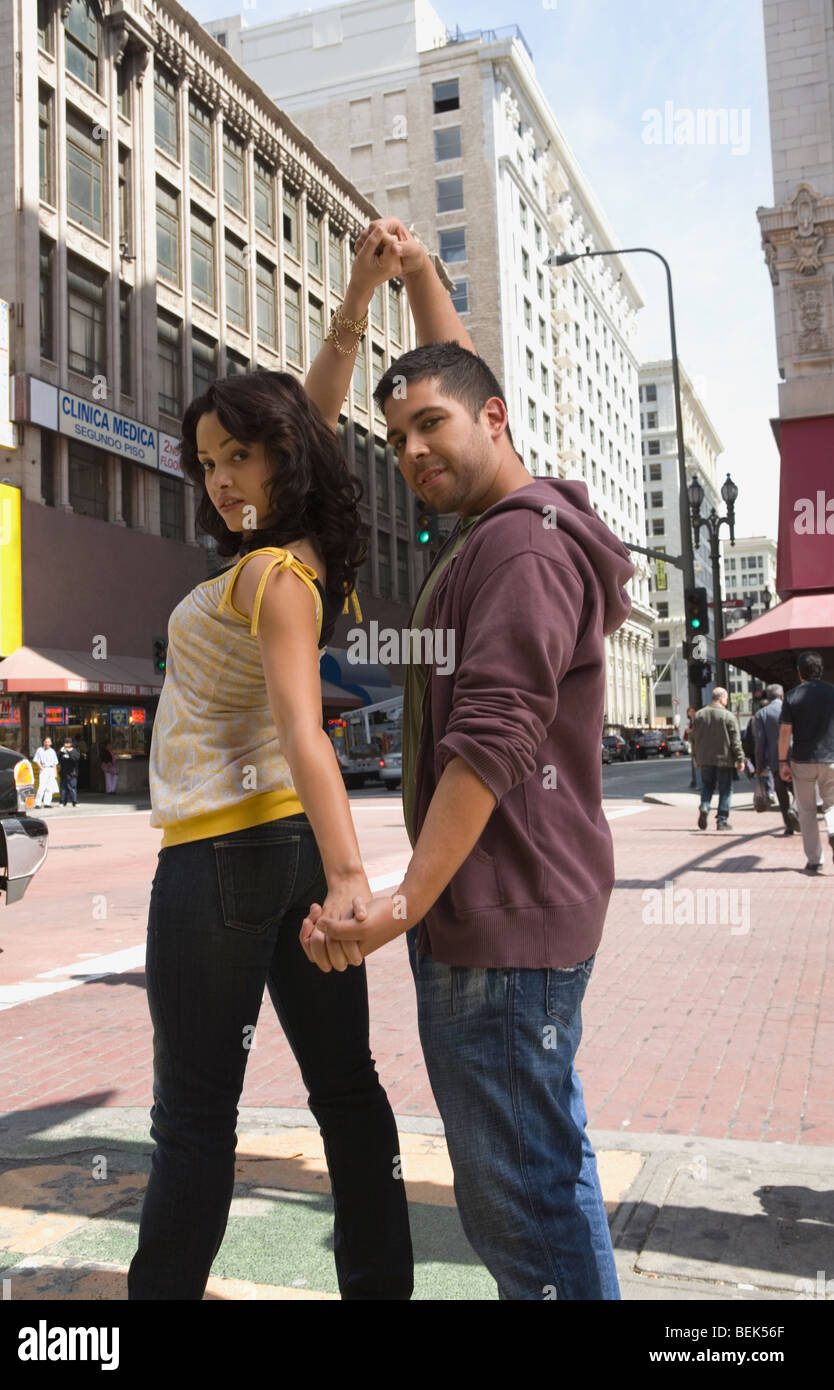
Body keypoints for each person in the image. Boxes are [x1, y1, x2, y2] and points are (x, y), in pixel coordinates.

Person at [302, 216, 634, 1300]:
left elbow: (486, 747)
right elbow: (449, 379)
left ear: (496, 420)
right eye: (396, 439)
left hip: (496, 931)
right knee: (542, 1176)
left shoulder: (519, 550)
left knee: (523, 1207)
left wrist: (397, 906)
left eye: (430, 429)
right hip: (510, 920)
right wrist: (412, 279)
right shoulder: (501, 526)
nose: (410, 454)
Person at [128, 224, 413, 1300]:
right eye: (203, 463)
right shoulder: (290, 561)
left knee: (194, 1115)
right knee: (346, 1088)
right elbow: (317, 407)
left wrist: (355, 883)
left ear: (277, 459)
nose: (216, 479)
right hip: (283, 850)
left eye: (235, 456)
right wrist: (358, 291)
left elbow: (305, 727)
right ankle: (379, 1288)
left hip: (220, 859)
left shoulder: (270, 582)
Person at [778, 651, 834, 874]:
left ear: (800, 672)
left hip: (803, 760)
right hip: (832, 758)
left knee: (807, 810)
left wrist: (783, 761)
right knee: (832, 804)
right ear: (820, 670)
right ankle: (833, 831)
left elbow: (784, 733)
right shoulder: (833, 692)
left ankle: (814, 859)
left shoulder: (792, 696)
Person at [688, 687, 744, 829]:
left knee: (707, 786)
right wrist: (740, 759)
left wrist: (697, 758)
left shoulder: (699, 715)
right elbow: (735, 741)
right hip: (724, 760)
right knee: (725, 789)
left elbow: (693, 739)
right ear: (720, 698)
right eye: (726, 697)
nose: (727, 700)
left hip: (705, 759)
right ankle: (722, 820)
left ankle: (705, 806)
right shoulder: (728, 716)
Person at [753, 684, 800, 834]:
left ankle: (788, 826)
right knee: (799, 790)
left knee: (781, 794)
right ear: (782, 696)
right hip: (796, 756)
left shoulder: (761, 714)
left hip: (775, 760)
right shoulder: (793, 708)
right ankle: (794, 809)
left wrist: (759, 766)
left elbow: (760, 743)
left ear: (767, 697)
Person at [33, 736, 58, 808]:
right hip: (44, 768)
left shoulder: (52, 751)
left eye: (48, 742)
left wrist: (55, 773)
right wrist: (41, 768)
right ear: (44, 742)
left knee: (49, 787)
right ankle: (38, 803)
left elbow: (54, 763)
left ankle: (47, 803)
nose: (47, 743)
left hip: (51, 769)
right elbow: (36, 760)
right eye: (46, 742)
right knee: (42, 786)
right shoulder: (40, 750)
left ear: (51, 743)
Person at [58, 737, 81, 807]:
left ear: (71, 744)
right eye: (65, 743)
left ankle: (75, 802)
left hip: (72, 773)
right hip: (63, 772)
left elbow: (76, 759)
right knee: (63, 788)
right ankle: (62, 802)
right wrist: (60, 752)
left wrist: (68, 752)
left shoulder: (74, 751)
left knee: (72, 788)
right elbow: (57, 759)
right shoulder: (62, 751)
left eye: (68, 743)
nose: (66, 744)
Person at [684, 707, 697, 788]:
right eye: (689, 711)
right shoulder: (690, 722)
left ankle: (696, 781)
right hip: (692, 744)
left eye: (693, 711)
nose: (691, 713)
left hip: (697, 745)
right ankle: (694, 780)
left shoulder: (696, 721)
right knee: (693, 763)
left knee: (695, 763)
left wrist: (690, 731)